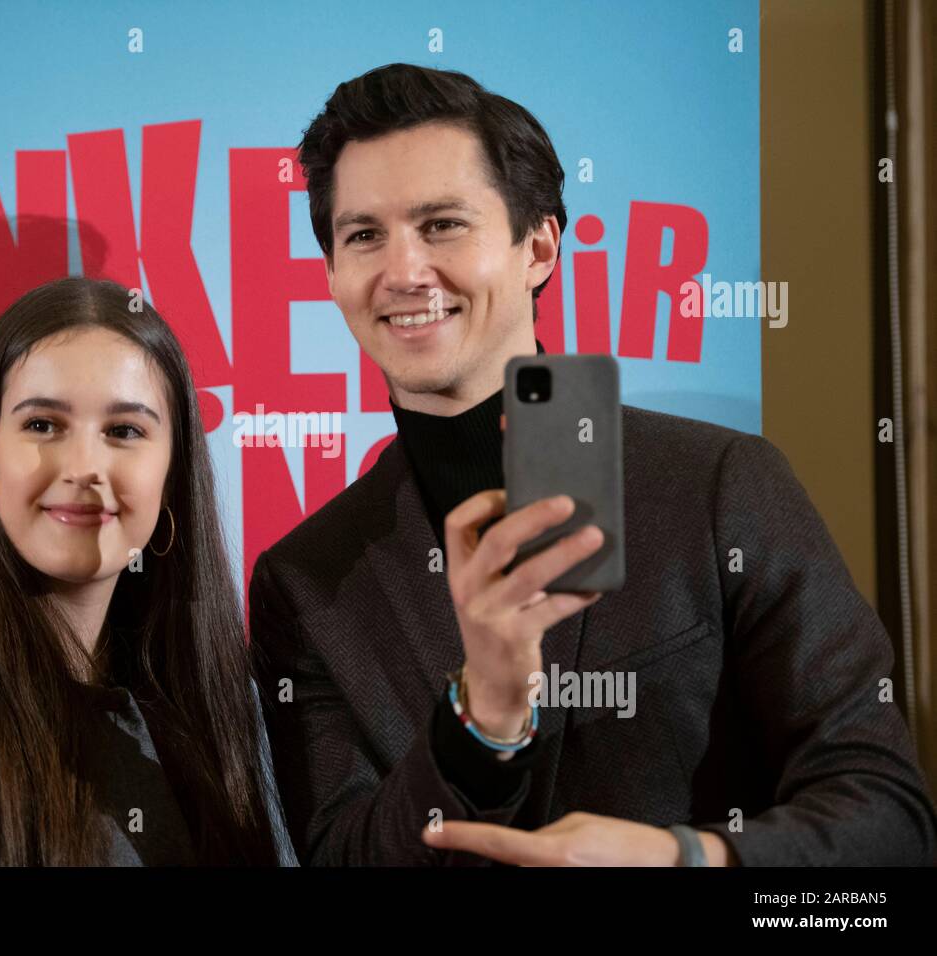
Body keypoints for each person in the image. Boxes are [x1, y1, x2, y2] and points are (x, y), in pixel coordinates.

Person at [249, 62, 936, 866]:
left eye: (442, 224)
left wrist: (685, 860)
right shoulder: (304, 582)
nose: (403, 271)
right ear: (333, 275)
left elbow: (889, 822)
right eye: (363, 235)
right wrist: (483, 717)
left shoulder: (716, 483)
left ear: (538, 245)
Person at [0, 277, 296, 866]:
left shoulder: (220, 694)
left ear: (173, 475)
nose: (84, 467)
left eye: (124, 431)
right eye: (42, 425)